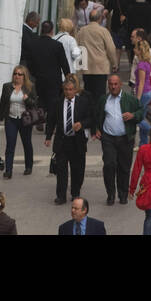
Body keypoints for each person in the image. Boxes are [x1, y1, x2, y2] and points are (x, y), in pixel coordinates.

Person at [95, 73, 145, 206]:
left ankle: (123, 194)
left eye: (115, 84)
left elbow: (141, 113)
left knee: (124, 167)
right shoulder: (103, 99)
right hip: (108, 138)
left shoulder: (130, 99)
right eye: (110, 84)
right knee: (109, 165)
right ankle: (110, 194)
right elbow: (97, 115)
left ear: (120, 85)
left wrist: (133, 115)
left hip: (125, 138)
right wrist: (97, 129)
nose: (113, 87)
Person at [45, 75, 95, 204]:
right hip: (62, 140)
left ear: (75, 90)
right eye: (66, 89)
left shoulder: (82, 102)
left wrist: (82, 124)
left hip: (77, 141)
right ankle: (61, 195)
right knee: (61, 169)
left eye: (71, 89)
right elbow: (51, 120)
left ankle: (75, 193)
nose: (68, 92)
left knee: (77, 168)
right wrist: (48, 136)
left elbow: (90, 118)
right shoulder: (57, 102)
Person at [0, 65, 38, 180]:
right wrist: (0, 116)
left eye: (20, 74)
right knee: (10, 144)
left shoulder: (29, 87)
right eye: (15, 74)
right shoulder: (7, 87)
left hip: (25, 119)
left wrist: (26, 99)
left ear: (24, 76)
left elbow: (34, 104)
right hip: (11, 119)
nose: (17, 76)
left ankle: (28, 166)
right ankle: (8, 170)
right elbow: (3, 102)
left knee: (27, 143)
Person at [76, 6, 119, 104]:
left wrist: (78, 66)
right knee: (99, 94)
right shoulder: (103, 31)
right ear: (100, 18)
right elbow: (111, 49)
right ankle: (98, 114)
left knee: (88, 93)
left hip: (87, 67)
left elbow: (77, 48)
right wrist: (114, 63)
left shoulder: (82, 31)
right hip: (100, 67)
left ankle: (89, 114)